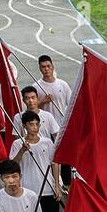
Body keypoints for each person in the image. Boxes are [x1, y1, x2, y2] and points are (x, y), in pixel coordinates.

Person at [8, 112, 61, 212]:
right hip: (29, 192)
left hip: (48, 190)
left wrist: (57, 185)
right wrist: (22, 150)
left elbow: (54, 163)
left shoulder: (47, 142)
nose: (35, 128)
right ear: (24, 126)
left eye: (37, 124)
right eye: (31, 125)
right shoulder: (17, 144)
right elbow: (12, 166)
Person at [34, 56, 72, 185]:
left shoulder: (62, 84)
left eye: (48, 66)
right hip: (45, 128)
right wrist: (42, 101)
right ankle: (51, 182)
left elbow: (71, 103)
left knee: (65, 155)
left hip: (61, 126)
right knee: (48, 157)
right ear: (39, 68)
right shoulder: (37, 86)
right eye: (43, 67)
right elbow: (31, 108)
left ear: (53, 66)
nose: (46, 69)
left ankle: (67, 183)